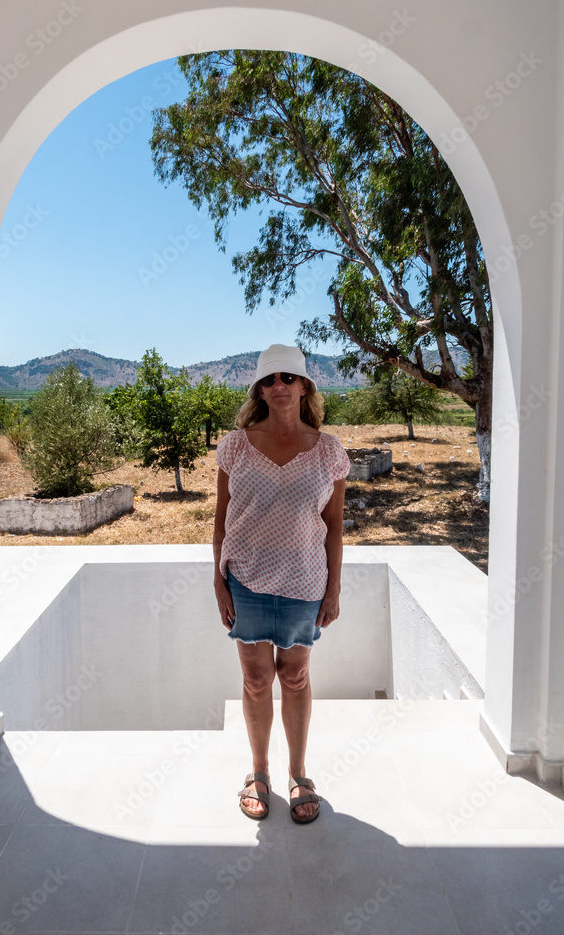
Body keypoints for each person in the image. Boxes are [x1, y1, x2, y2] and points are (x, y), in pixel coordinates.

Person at [213, 343, 350, 823]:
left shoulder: (329, 451)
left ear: (305, 385)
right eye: (269, 380)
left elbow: (334, 526)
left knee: (294, 676)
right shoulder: (235, 445)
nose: (278, 387)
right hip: (246, 580)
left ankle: (297, 774)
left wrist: (334, 589)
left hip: (305, 582)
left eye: (288, 378)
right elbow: (221, 519)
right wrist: (218, 579)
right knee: (255, 680)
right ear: (259, 390)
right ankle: (258, 772)